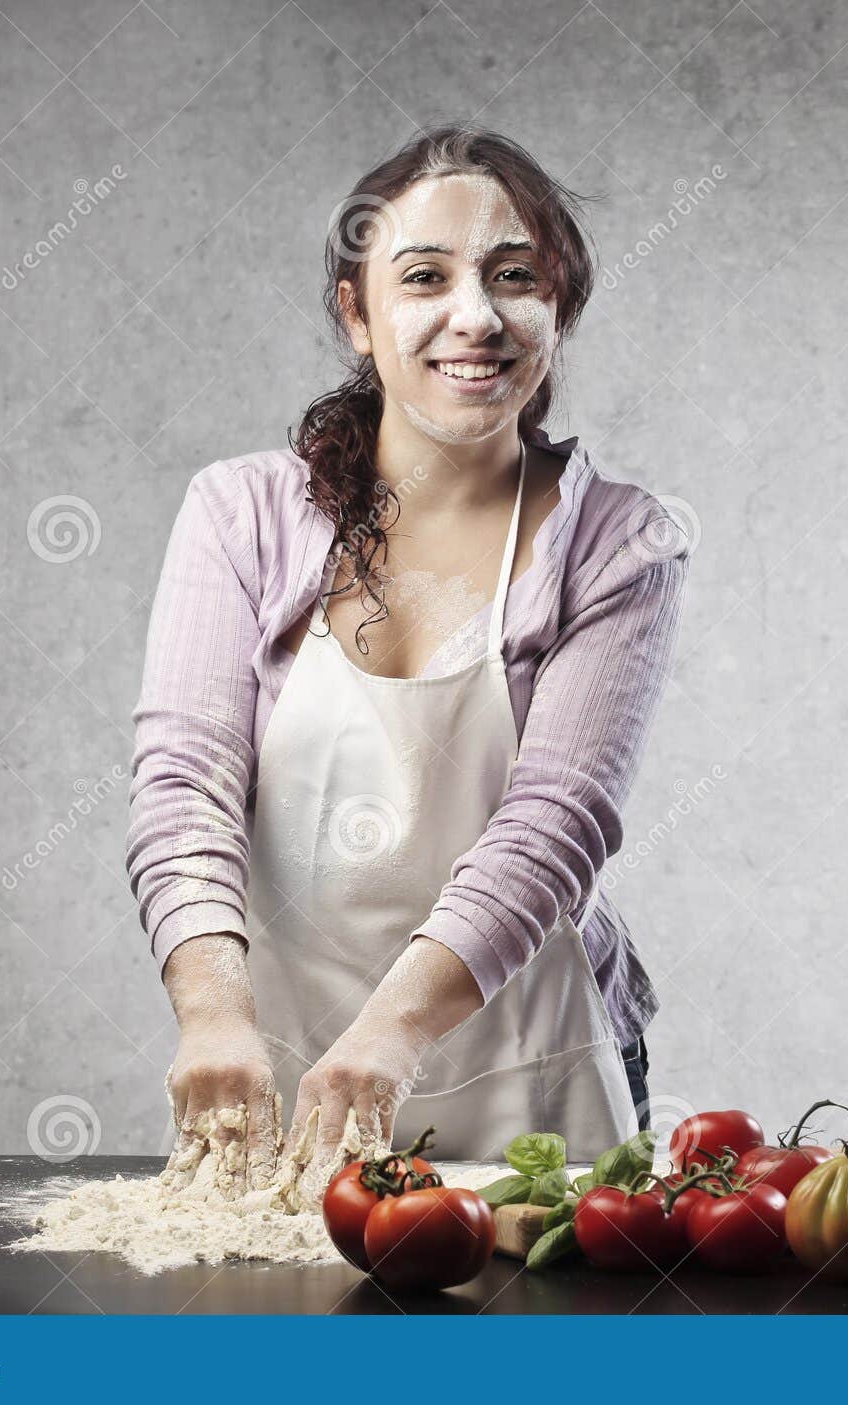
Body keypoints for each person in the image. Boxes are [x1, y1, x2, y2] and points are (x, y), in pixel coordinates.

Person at [126, 125, 689, 1170]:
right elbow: (185, 781)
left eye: (515, 277)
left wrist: (391, 1037)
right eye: (424, 277)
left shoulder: (620, 540)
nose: (475, 316)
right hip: (279, 1070)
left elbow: (554, 824)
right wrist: (212, 1014)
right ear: (357, 313)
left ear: (558, 308)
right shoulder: (240, 512)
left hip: (537, 1067)